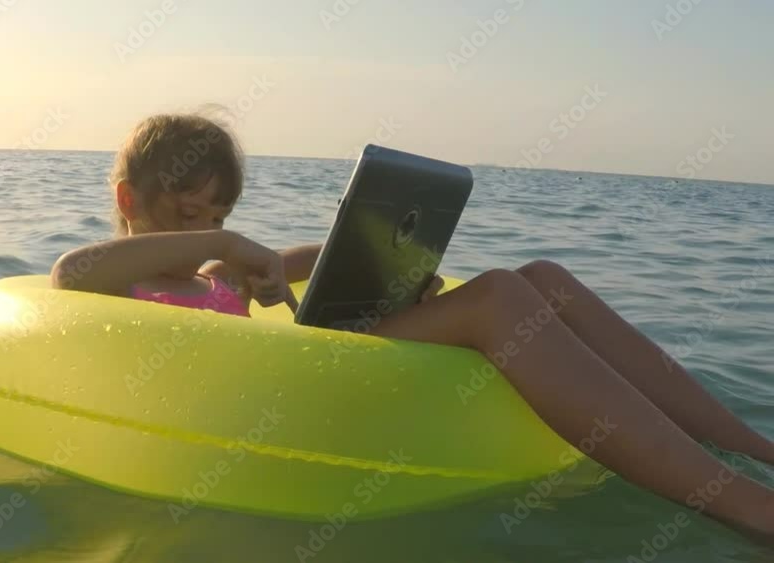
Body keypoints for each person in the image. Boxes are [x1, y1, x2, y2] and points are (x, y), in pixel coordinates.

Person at [51, 113, 774, 541]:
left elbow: (312, 260)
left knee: (544, 279)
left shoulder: (219, 277)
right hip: (281, 402)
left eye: (218, 215)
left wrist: (393, 261)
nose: (206, 227)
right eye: (188, 213)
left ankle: (754, 450)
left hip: (316, 371)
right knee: (498, 298)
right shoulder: (118, 283)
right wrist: (227, 243)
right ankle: (749, 509)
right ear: (128, 199)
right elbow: (70, 271)